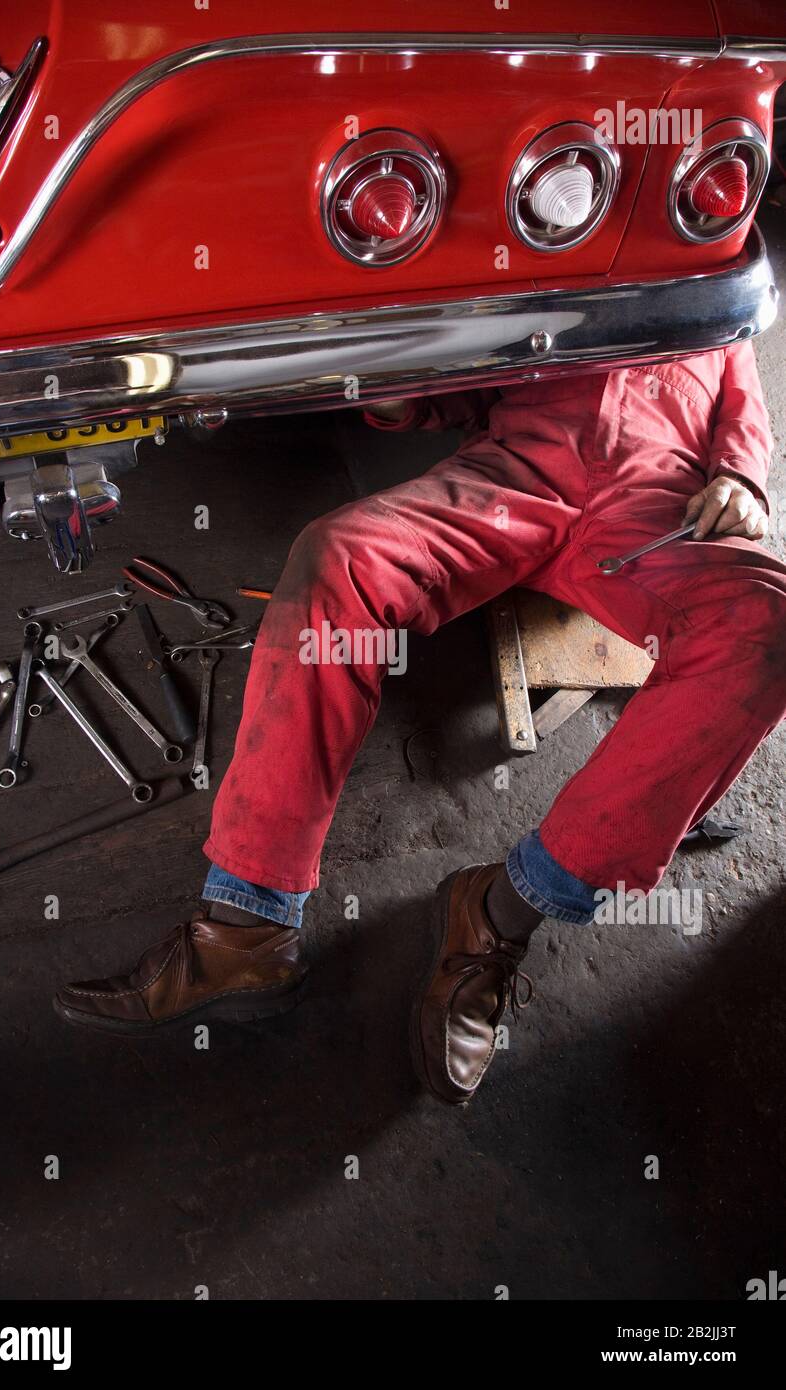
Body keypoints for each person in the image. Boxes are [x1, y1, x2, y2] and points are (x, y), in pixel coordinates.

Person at [55, 344, 786, 1105]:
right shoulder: (551, 240)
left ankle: (501, 913)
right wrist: (402, 394)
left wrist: (737, 475)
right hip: (515, 480)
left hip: (656, 507)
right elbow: (470, 382)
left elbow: (743, 395)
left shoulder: (707, 277)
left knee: (765, 638)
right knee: (340, 561)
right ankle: (245, 926)